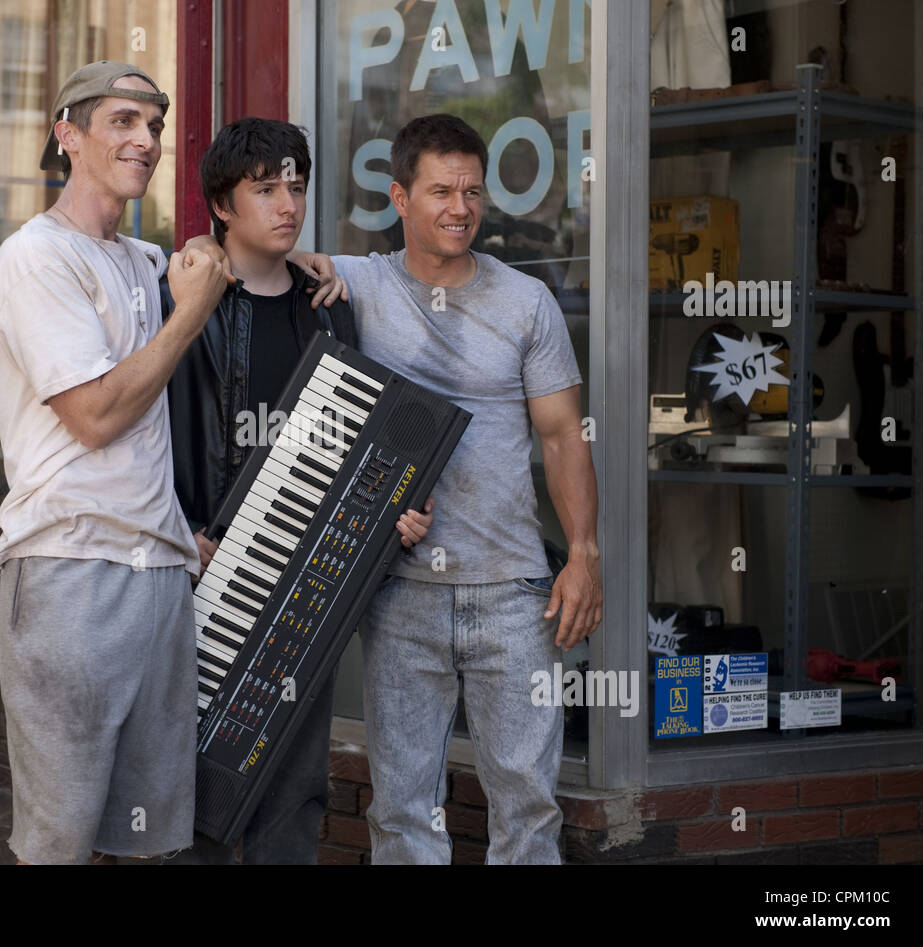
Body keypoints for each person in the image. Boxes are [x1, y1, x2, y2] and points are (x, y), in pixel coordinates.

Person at [333, 114, 603, 864]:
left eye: (473, 191)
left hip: (513, 589)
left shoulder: (525, 302)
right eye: (441, 190)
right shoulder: (355, 284)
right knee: (403, 809)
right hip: (397, 590)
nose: (461, 207)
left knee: (528, 803)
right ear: (399, 197)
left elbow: (561, 436)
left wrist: (581, 554)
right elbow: (255, 261)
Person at [165, 117, 433, 864]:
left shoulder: (328, 301)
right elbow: (150, 429)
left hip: (306, 575)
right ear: (222, 204)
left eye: (297, 186)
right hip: (207, 566)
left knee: (293, 787)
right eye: (265, 189)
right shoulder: (184, 296)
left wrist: (393, 510)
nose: (288, 203)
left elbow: (352, 441)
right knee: (198, 785)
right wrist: (177, 528)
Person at [0, 60, 230, 864]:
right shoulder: (36, 257)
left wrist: (328, 269)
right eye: (123, 121)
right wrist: (189, 313)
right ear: (69, 134)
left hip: (158, 574)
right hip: (69, 571)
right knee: (60, 837)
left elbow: (248, 269)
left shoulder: (143, 261)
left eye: (154, 125)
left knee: (149, 839)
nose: (147, 140)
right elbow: (95, 415)